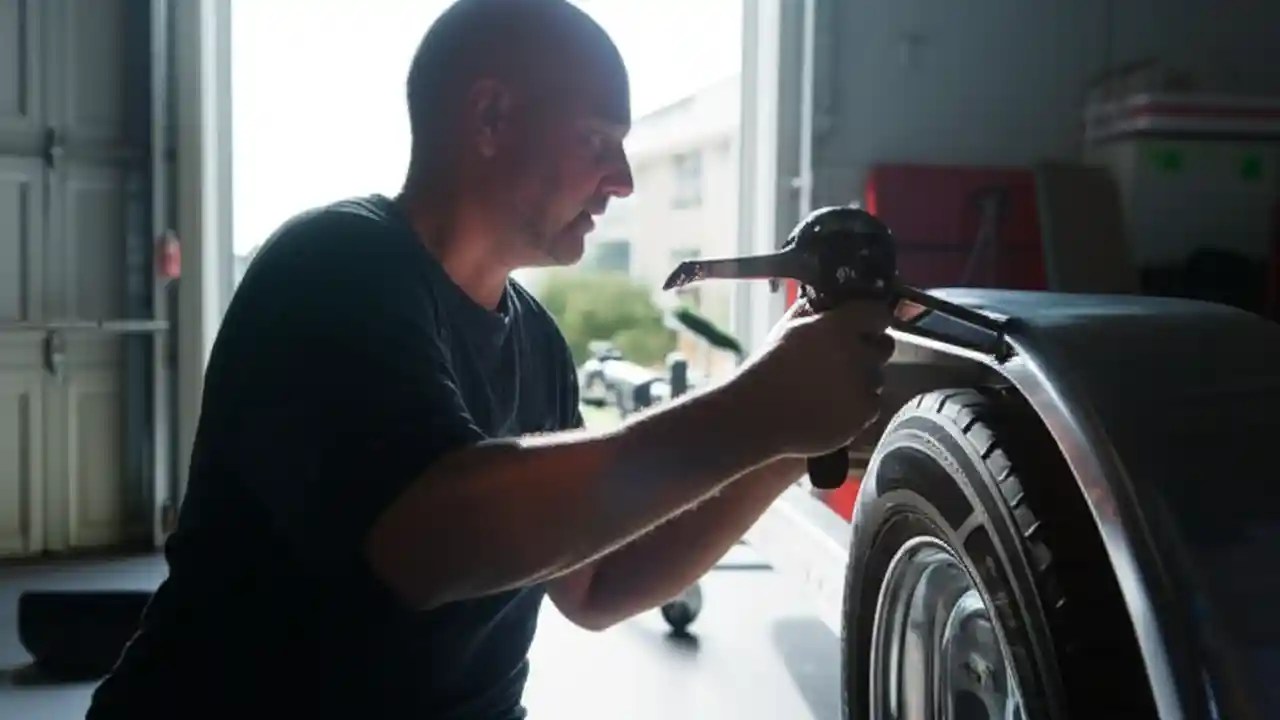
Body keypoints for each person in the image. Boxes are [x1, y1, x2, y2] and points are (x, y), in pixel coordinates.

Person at [86, 0, 892, 717]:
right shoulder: (331, 267)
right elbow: (434, 543)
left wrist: (784, 442)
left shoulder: (536, 343)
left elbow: (596, 585)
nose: (622, 181)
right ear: (492, 116)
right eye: (598, 139)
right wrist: (760, 406)